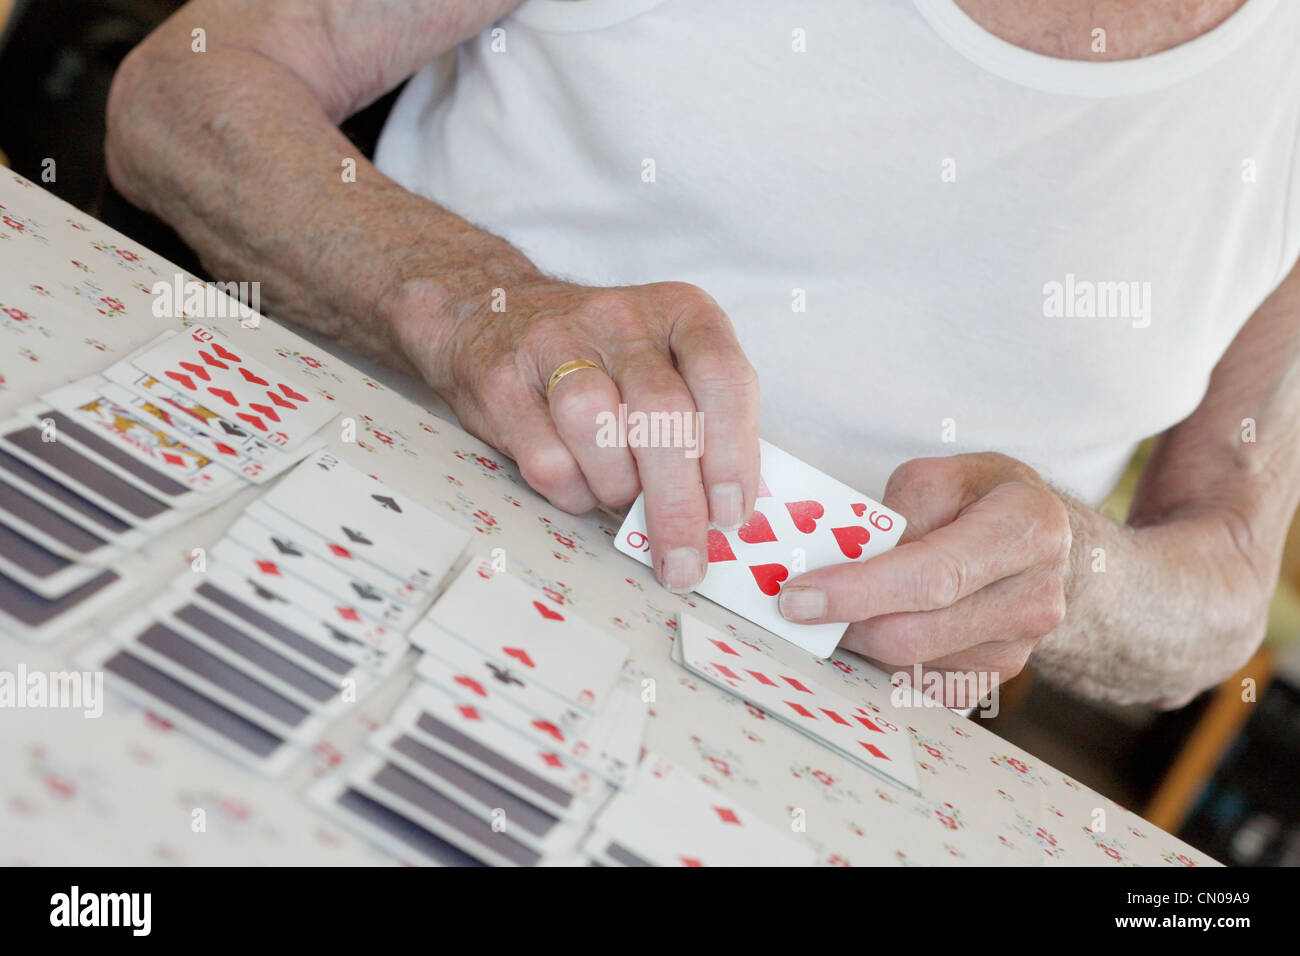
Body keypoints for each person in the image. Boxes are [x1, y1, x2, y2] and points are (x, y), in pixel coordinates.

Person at [104, 0, 1300, 707]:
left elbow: (1230, 571)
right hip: (327, 563)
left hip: (799, 776)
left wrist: (1076, 580)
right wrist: (480, 306)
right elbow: (183, 94)